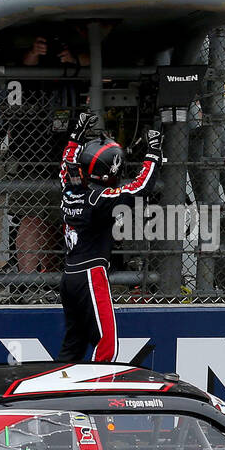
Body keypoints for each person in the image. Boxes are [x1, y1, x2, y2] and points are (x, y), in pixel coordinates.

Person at [59, 116, 162, 361]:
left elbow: (67, 162)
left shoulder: (70, 190)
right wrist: (153, 154)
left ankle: (57, 392)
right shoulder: (100, 200)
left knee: (74, 345)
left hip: (69, 277)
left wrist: (76, 136)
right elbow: (139, 188)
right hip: (90, 274)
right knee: (107, 346)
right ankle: (97, 395)